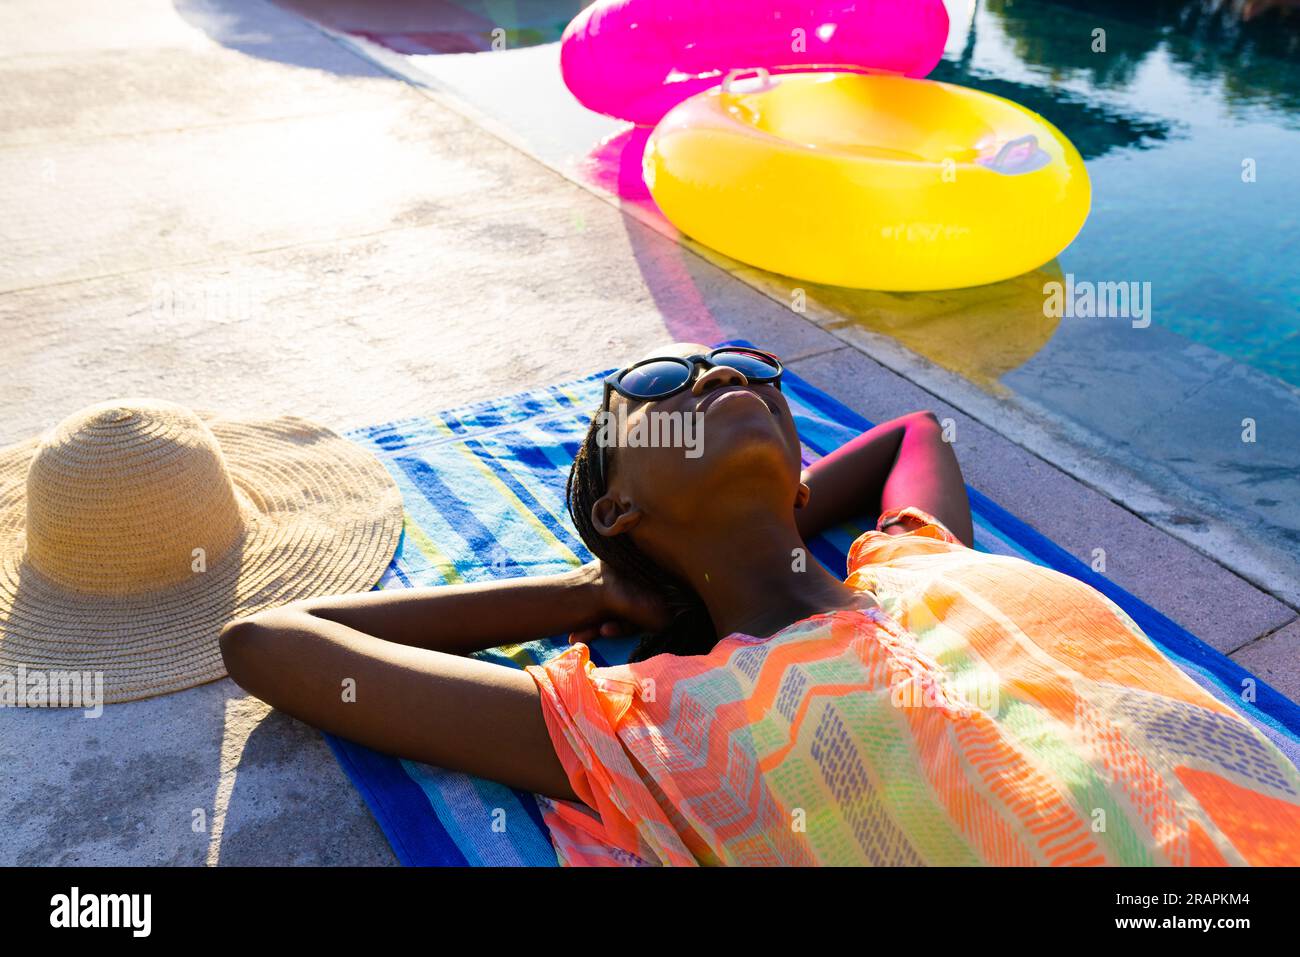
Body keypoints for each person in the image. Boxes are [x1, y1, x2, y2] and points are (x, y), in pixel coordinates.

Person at [220, 343, 1300, 866]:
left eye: (748, 371)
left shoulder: (919, 563)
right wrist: (598, 591)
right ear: (619, 503)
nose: (717, 374)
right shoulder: (641, 723)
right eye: (653, 384)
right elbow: (269, 642)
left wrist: (773, 506)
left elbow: (912, 436)